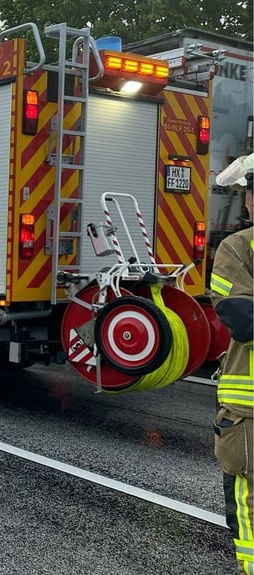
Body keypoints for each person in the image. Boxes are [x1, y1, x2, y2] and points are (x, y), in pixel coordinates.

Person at [210, 170, 253, 575]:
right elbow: (242, 315)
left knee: (247, 496)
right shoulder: (239, 247)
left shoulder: (237, 248)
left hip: (248, 412)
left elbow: (245, 320)